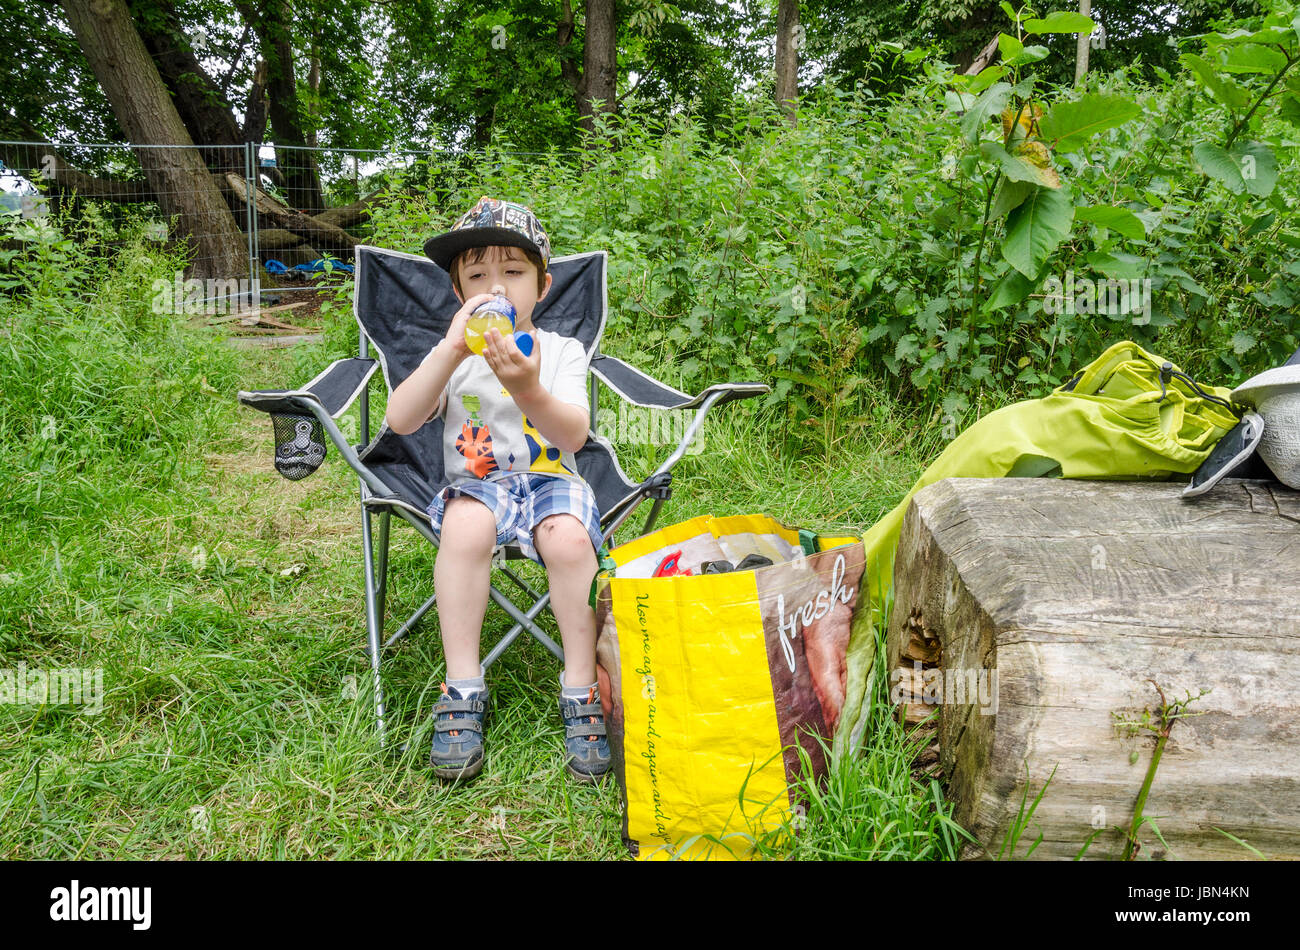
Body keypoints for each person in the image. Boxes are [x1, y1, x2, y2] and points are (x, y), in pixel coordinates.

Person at [385, 197, 609, 783]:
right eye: (478, 275)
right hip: (476, 486)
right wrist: (452, 349)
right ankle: (462, 687)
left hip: (551, 481)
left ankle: (581, 687)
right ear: (459, 295)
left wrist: (530, 389)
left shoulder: (561, 351)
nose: (497, 287)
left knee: (566, 541)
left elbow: (572, 434)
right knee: (465, 526)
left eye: (513, 272)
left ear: (543, 283)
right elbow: (403, 419)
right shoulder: (453, 357)